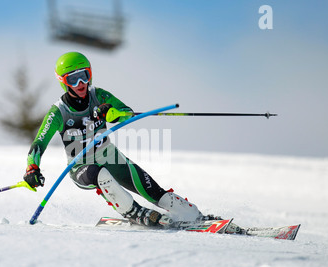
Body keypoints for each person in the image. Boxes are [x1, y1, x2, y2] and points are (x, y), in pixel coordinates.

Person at [23, 52, 215, 228]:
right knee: (101, 175)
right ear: (63, 82)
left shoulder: (98, 95)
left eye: (85, 75)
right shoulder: (58, 112)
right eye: (73, 79)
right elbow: (39, 143)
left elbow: (127, 113)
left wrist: (111, 112)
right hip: (81, 167)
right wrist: (32, 168)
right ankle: (134, 212)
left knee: (152, 190)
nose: (81, 83)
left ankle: (193, 215)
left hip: (111, 157)